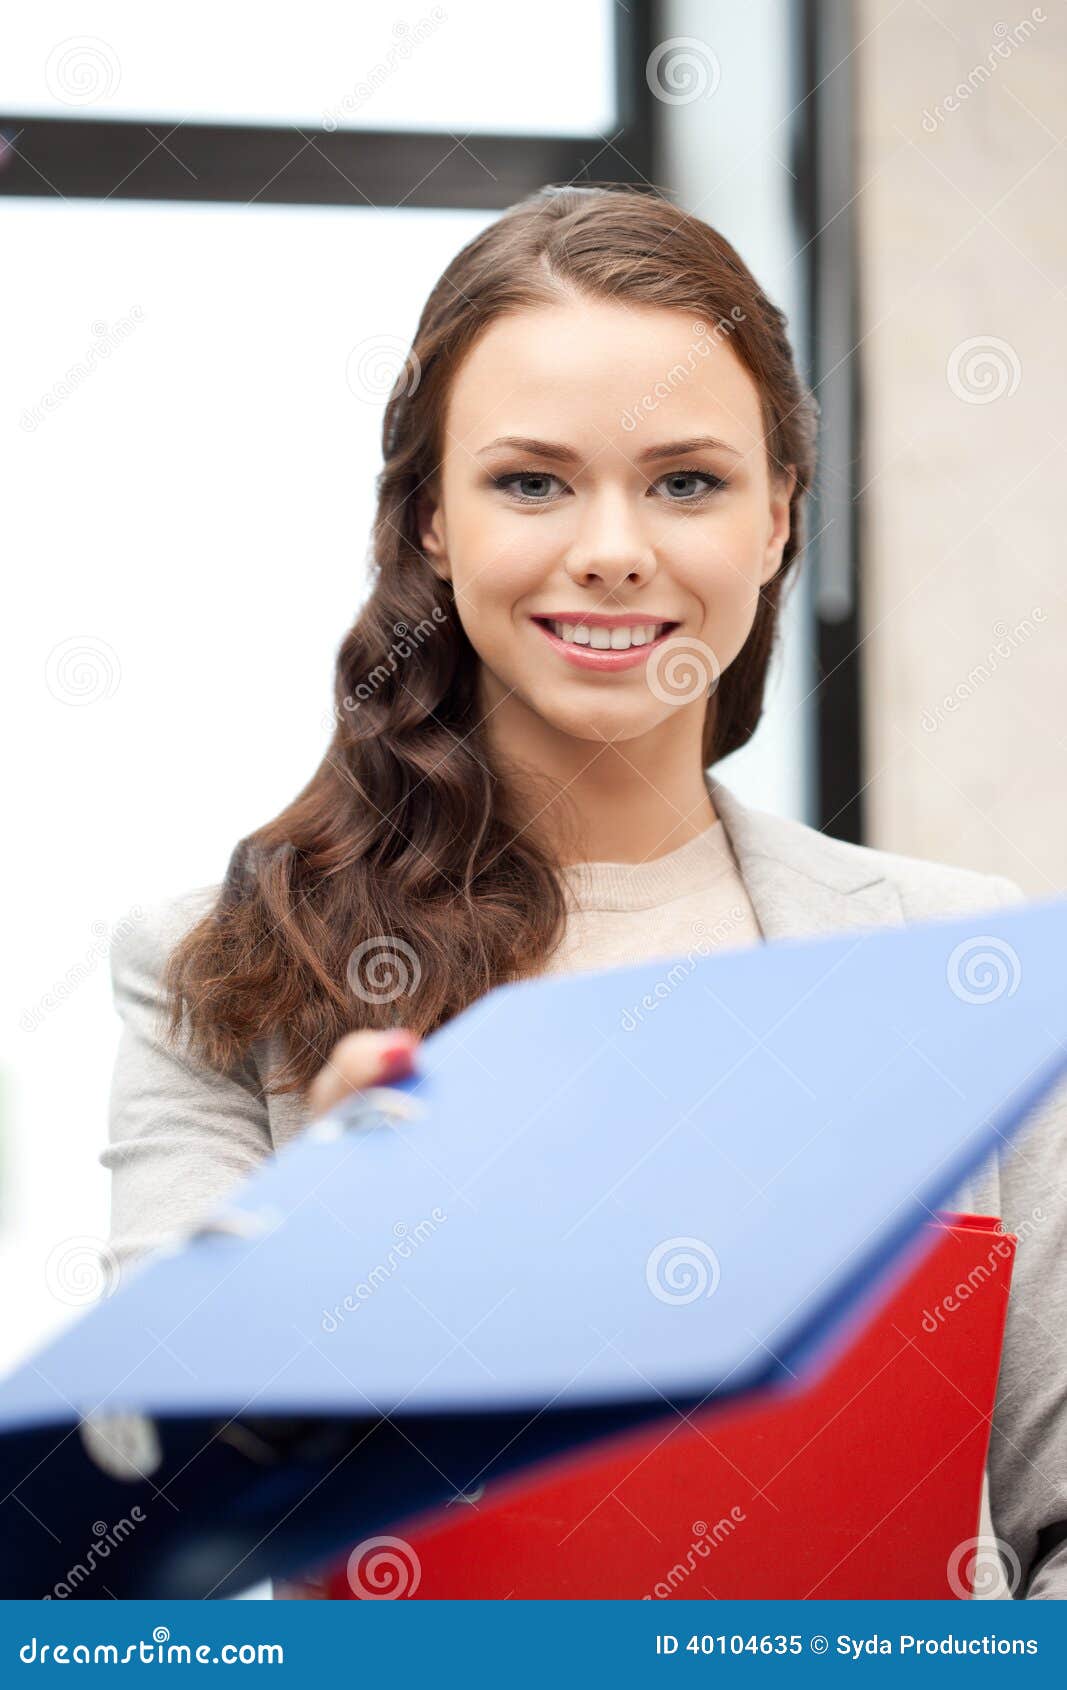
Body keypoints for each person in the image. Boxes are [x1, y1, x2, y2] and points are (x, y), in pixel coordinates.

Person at [103, 183, 1067, 1599]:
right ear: (431, 519)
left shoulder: (967, 964)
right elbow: (140, 1515)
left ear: (780, 516)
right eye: (531, 480)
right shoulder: (230, 963)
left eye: (687, 480)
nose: (613, 545)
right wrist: (307, 1278)